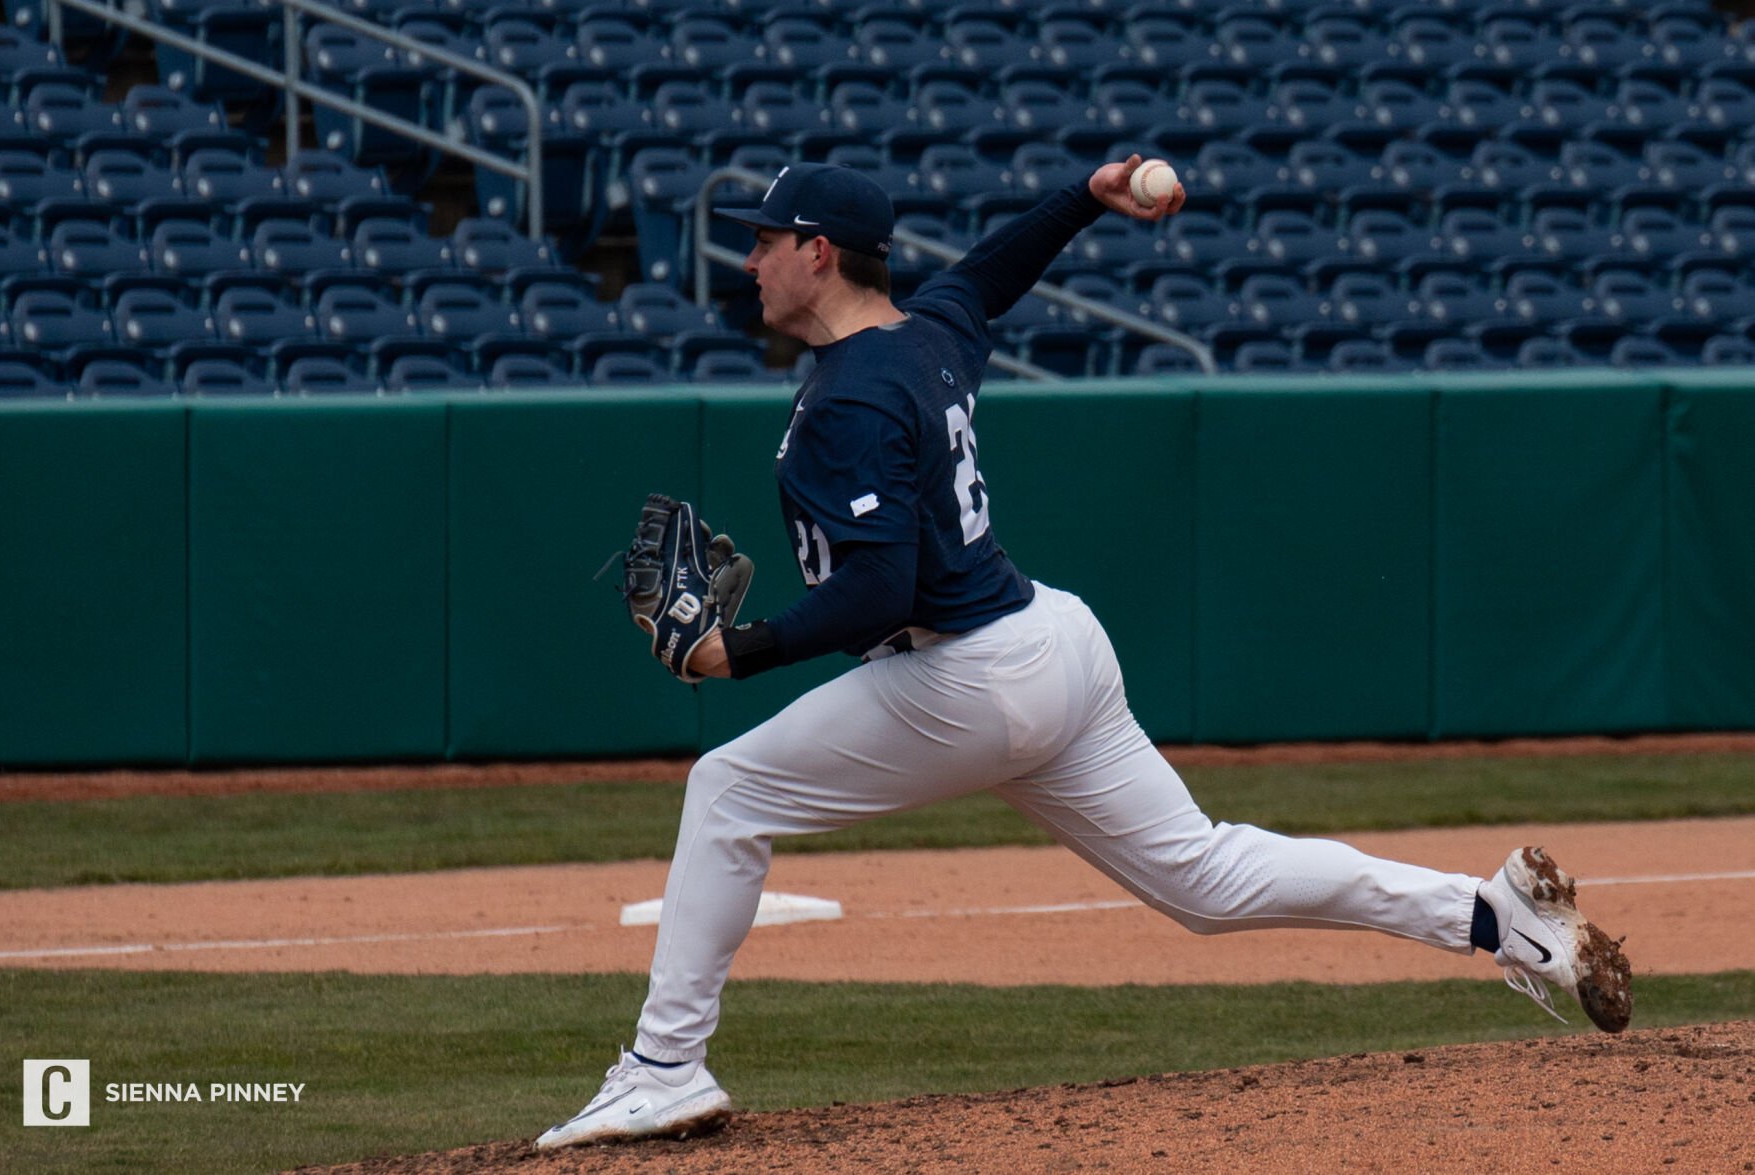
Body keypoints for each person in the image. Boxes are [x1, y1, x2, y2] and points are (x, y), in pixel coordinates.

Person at [534, 158, 1633, 1150]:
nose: (751, 256)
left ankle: (664, 1064)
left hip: (966, 674)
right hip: (1053, 644)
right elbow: (991, 272)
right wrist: (1084, 193)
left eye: (767, 238)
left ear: (818, 254)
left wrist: (739, 651)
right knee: (1204, 878)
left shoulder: (853, 395)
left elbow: (880, 588)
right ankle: (1496, 916)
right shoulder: (926, 332)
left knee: (727, 788)